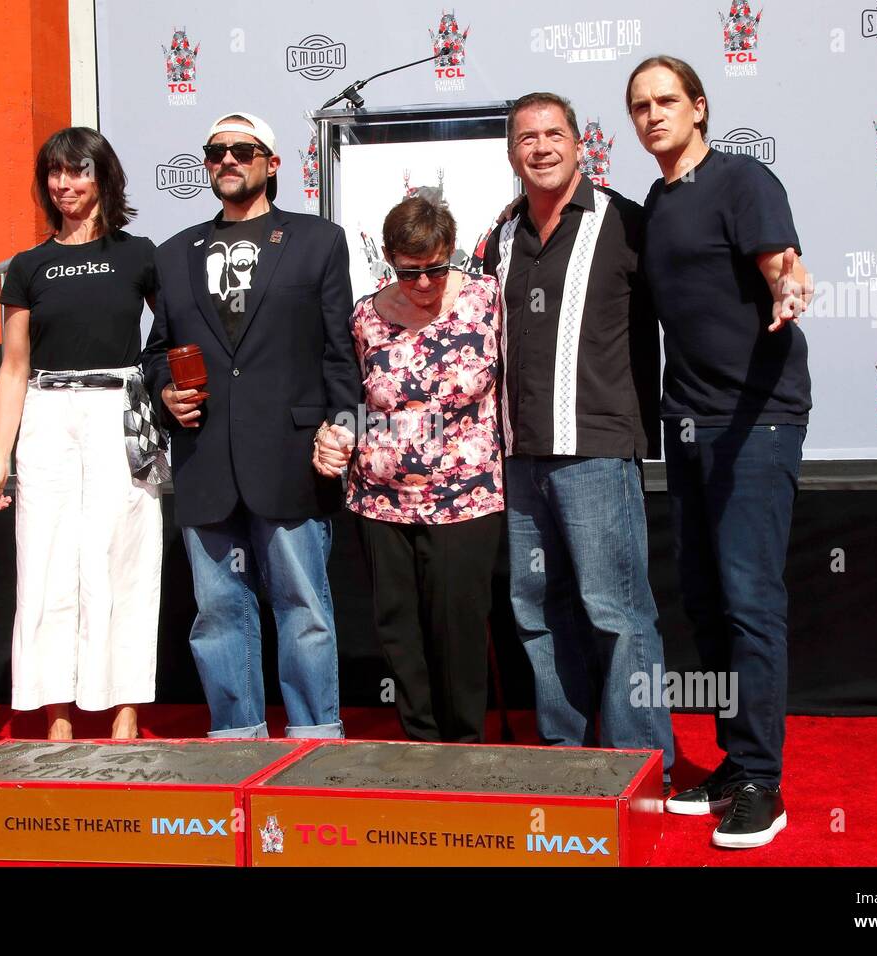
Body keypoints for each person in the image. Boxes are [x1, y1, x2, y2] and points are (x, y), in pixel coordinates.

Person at [627, 55, 813, 848]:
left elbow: (783, 264)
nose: (653, 115)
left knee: (749, 601)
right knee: (704, 600)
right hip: (690, 423)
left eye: (667, 100)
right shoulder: (656, 201)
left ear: (699, 107)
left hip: (757, 420)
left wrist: (789, 286)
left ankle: (763, 785)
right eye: (639, 106)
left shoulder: (743, 180)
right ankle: (735, 765)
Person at [142, 112, 359, 739]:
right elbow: (158, 350)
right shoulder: (173, 253)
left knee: (305, 608)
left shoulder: (318, 240)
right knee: (216, 613)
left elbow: (338, 354)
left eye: (243, 149)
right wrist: (164, 392)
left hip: (292, 455)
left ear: (272, 163)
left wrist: (343, 427)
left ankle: (315, 738)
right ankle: (236, 742)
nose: (227, 160)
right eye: (215, 152)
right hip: (205, 456)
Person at [481, 93, 674, 780]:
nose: (540, 147)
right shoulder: (498, 238)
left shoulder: (625, 221)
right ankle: (565, 753)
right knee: (536, 608)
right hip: (520, 455)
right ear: (511, 153)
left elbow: (689, 295)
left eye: (553, 133)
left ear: (579, 142)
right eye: (526, 137)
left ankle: (642, 764)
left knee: (615, 610)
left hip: (595, 450)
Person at [0, 127, 164, 741]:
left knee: (125, 555)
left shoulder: (139, 254)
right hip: (46, 415)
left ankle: (125, 709)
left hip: (120, 413)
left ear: (103, 177)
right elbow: (14, 367)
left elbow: (170, 339)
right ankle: (54, 709)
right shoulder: (28, 266)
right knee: (46, 558)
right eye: (55, 173)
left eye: (78, 171)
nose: (65, 184)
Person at [325, 196, 504, 743]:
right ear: (389, 259)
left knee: (457, 627)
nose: (424, 283)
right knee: (399, 631)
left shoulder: (487, 300)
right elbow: (352, 399)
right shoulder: (364, 317)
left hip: (467, 494)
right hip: (380, 500)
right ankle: (421, 746)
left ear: (451, 255)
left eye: (435, 268)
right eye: (409, 271)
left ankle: (465, 746)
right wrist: (335, 433)